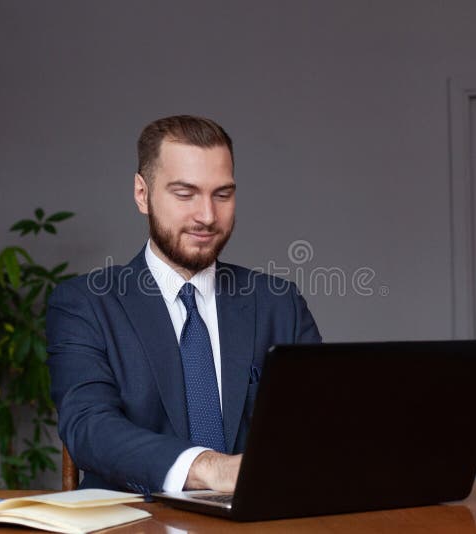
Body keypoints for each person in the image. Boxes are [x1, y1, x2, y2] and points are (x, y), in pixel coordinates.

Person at [47, 115, 321, 495]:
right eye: (185, 193)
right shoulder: (85, 304)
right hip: (134, 523)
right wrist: (208, 468)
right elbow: (90, 427)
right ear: (142, 194)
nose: (207, 216)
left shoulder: (280, 304)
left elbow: (319, 426)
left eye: (222, 194)